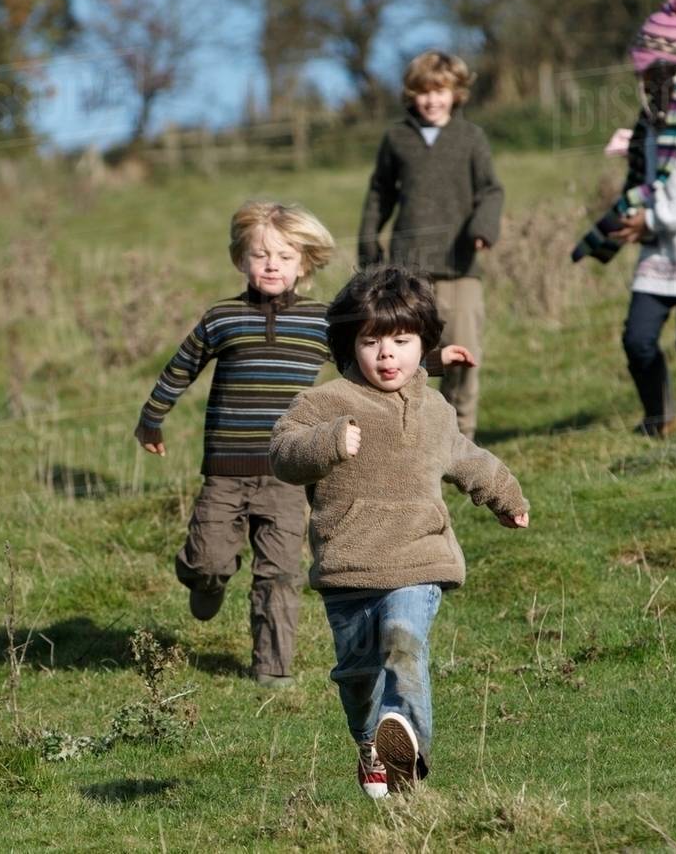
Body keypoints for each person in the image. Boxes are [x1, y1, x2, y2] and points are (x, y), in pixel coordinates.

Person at [135, 202, 474, 689]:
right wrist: (152, 419)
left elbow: (373, 362)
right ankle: (204, 578)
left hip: (292, 471)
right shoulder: (222, 318)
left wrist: (435, 361)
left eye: (285, 255)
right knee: (209, 556)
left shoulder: (321, 323)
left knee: (279, 571)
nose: (272, 264)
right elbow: (181, 368)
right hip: (226, 469)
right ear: (240, 259)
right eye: (260, 254)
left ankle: (272, 668)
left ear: (306, 262)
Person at [269, 265, 528, 798]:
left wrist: (506, 497)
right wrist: (328, 442)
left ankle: (408, 758)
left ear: (422, 343)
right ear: (349, 345)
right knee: (358, 676)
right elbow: (282, 453)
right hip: (347, 567)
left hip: (417, 560)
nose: (388, 354)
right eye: (372, 341)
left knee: (403, 646)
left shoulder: (435, 409)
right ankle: (372, 744)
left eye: (402, 340)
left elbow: (466, 458)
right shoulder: (325, 402)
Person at [576, 0, 676, 443]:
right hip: (660, 249)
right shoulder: (651, 116)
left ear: (662, 63)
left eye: (645, 62)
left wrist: (655, 219)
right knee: (638, 339)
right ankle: (658, 417)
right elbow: (649, 179)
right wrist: (625, 222)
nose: (639, 73)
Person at [357, 51, 504, 441]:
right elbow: (379, 193)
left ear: (456, 93)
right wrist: (369, 243)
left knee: (463, 358)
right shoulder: (396, 137)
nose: (431, 100)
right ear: (411, 94)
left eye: (440, 91)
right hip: (408, 273)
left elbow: (491, 190)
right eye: (423, 92)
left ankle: (461, 445)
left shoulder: (471, 137)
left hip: (460, 267)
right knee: (404, 360)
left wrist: (483, 228)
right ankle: (402, 441)